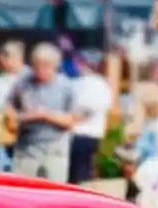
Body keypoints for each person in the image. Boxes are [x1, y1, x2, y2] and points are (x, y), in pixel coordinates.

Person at [7, 43, 75, 183]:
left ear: (55, 65)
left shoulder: (66, 87)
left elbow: (70, 121)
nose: (40, 69)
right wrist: (24, 117)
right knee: (23, 192)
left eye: (46, 65)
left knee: (53, 195)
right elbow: (9, 110)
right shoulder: (22, 84)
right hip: (26, 151)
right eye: (37, 65)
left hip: (55, 152)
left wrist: (45, 115)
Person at [68, 56, 113, 184]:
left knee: (78, 171)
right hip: (92, 133)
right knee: (83, 169)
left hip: (81, 132)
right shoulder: (102, 84)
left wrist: (77, 117)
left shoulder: (86, 83)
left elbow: (87, 107)